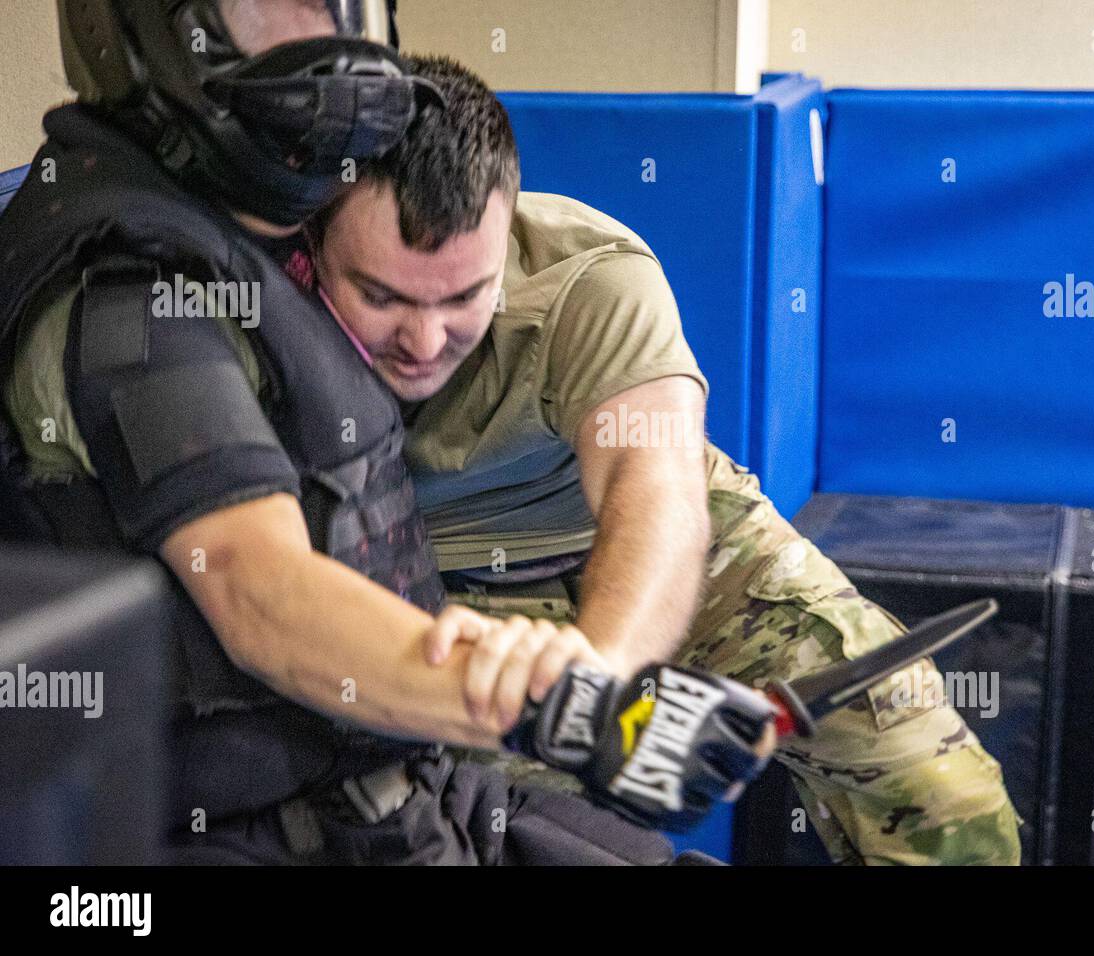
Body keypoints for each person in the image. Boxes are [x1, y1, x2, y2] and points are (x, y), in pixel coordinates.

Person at [0, 0, 772, 865]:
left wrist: (590, 675)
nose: (326, 39)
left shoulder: (253, 223)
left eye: (342, 4)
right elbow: (260, 593)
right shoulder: (133, 284)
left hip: (391, 786)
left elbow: (654, 484)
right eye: (271, 7)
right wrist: (556, 704)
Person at [306, 53, 1023, 865]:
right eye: (383, 297)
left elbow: (656, 496)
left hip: (658, 554)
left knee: (943, 797)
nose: (425, 341)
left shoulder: (589, 280)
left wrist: (603, 684)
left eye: (463, 298)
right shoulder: (254, 317)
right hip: (432, 595)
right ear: (313, 247)